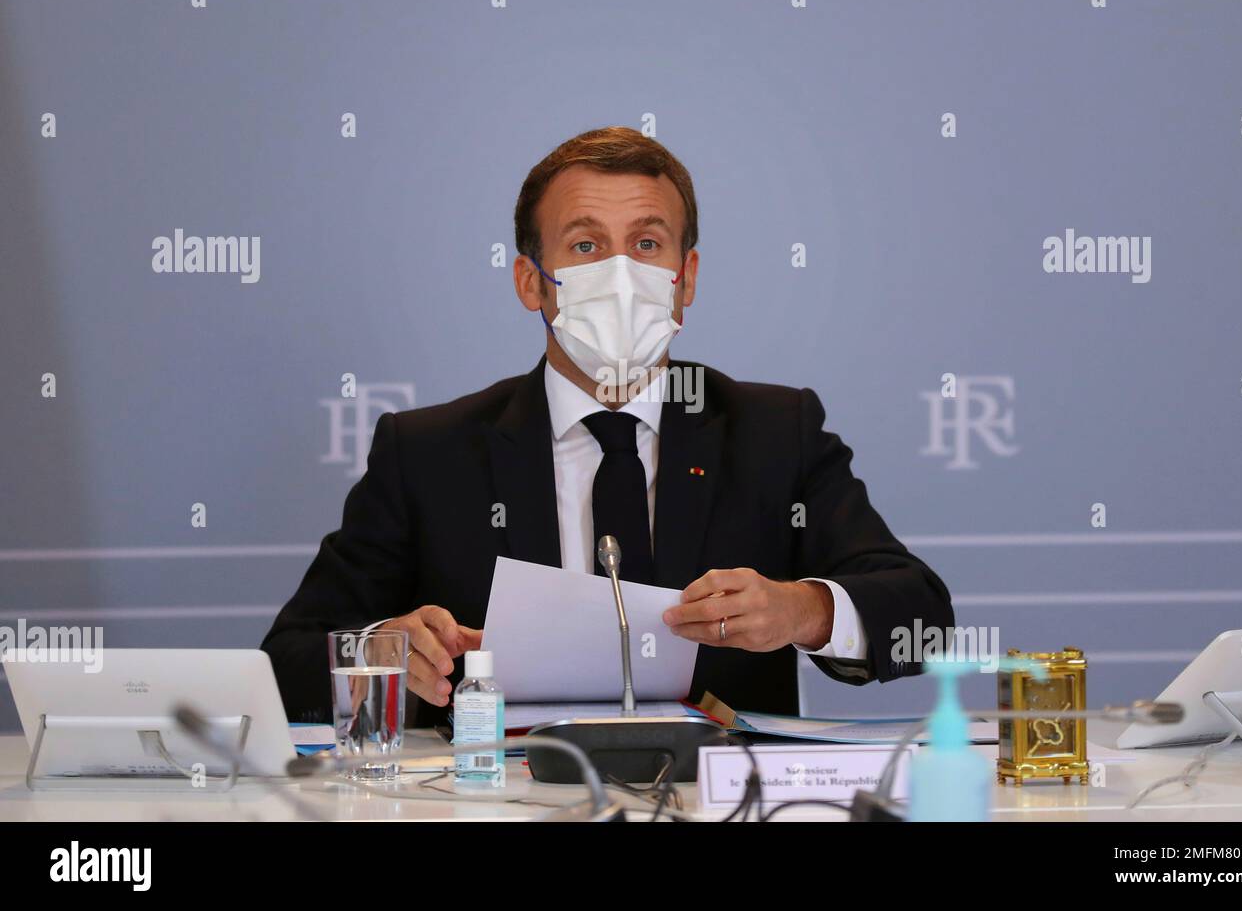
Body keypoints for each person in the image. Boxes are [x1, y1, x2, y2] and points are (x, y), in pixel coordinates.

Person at [262, 126, 953, 725]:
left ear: (685, 279)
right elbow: (287, 662)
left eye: (647, 243)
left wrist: (804, 611)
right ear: (531, 282)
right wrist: (383, 652)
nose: (621, 273)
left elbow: (923, 623)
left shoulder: (775, 431)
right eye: (587, 245)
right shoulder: (429, 453)